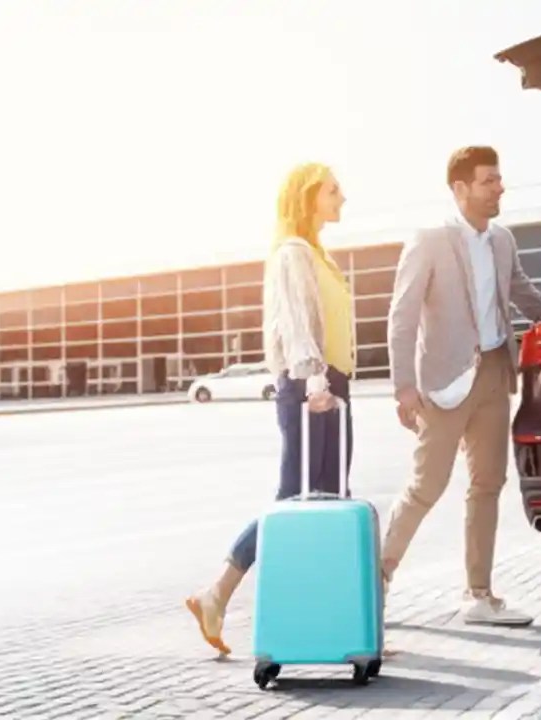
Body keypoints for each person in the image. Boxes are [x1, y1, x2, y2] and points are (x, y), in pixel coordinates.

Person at [185, 162, 357, 656]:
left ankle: (333, 619)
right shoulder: (293, 253)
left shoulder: (319, 254)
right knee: (295, 500)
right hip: (311, 382)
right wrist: (316, 380)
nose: (342, 197)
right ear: (307, 199)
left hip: (332, 384)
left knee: (330, 499)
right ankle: (218, 592)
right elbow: (297, 320)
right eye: (332, 190)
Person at [382, 145, 541, 625]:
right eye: (488, 181)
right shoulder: (430, 240)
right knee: (426, 486)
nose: (499, 188)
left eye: (499, 179)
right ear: (460, 188)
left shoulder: (502, 241)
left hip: (496, 375)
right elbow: (403, 314)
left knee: (488, 484)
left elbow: (522, 294)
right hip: (444, 382)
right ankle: (377, 580)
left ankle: (479, 595)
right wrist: (403, 387)